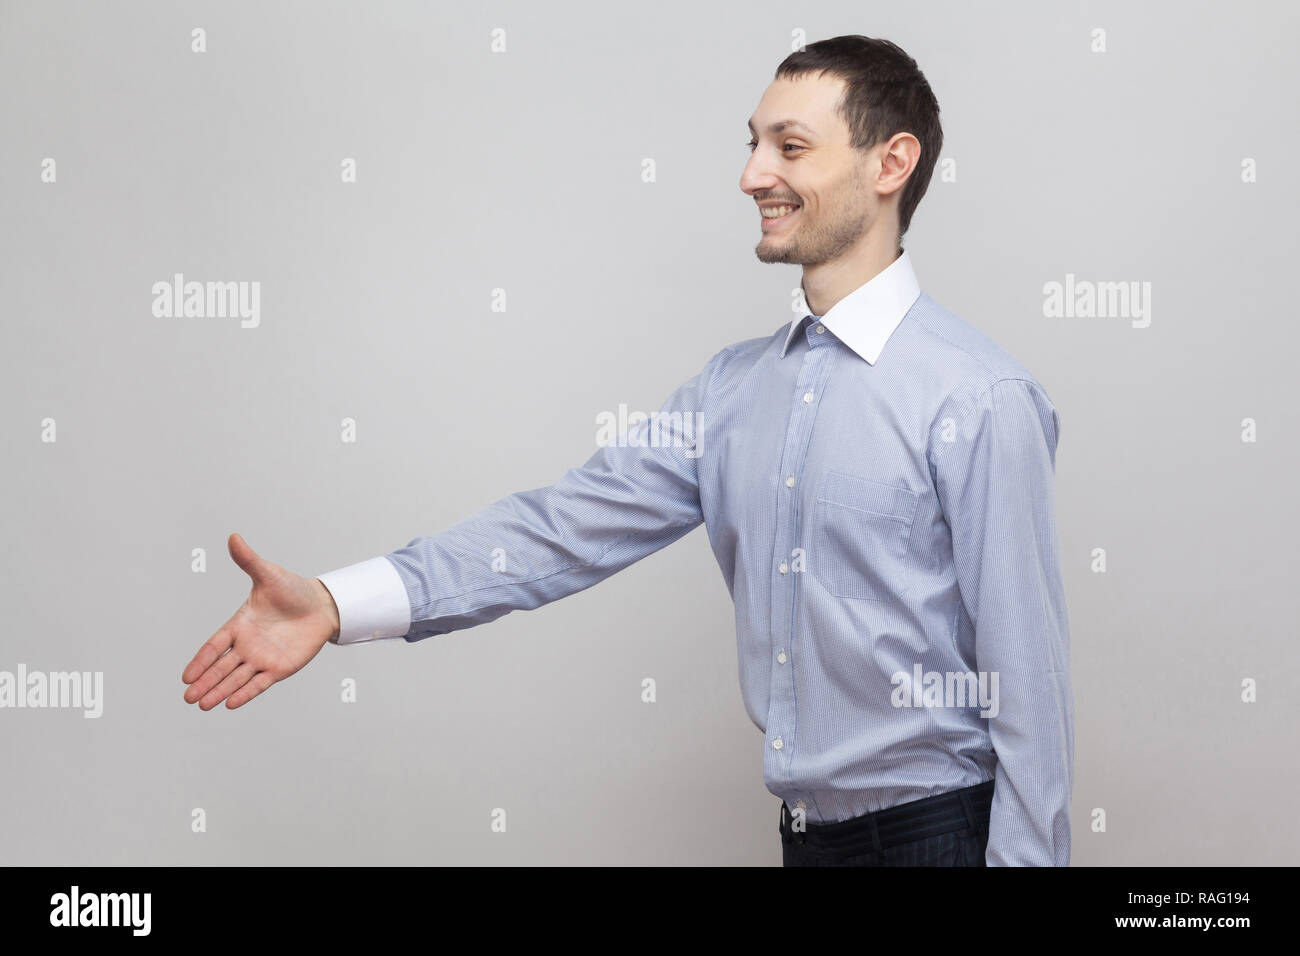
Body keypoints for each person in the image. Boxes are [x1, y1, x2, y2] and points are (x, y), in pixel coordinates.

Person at [182, 35, 1074, 867]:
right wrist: (338, 603)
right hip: (805, 841)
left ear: (892, 163)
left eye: (789, 148)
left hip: (940, 836)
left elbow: (1028, 684)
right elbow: (559, 529)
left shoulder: (979, 398)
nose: (751, 174)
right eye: (754, 144)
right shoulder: (731, 392)